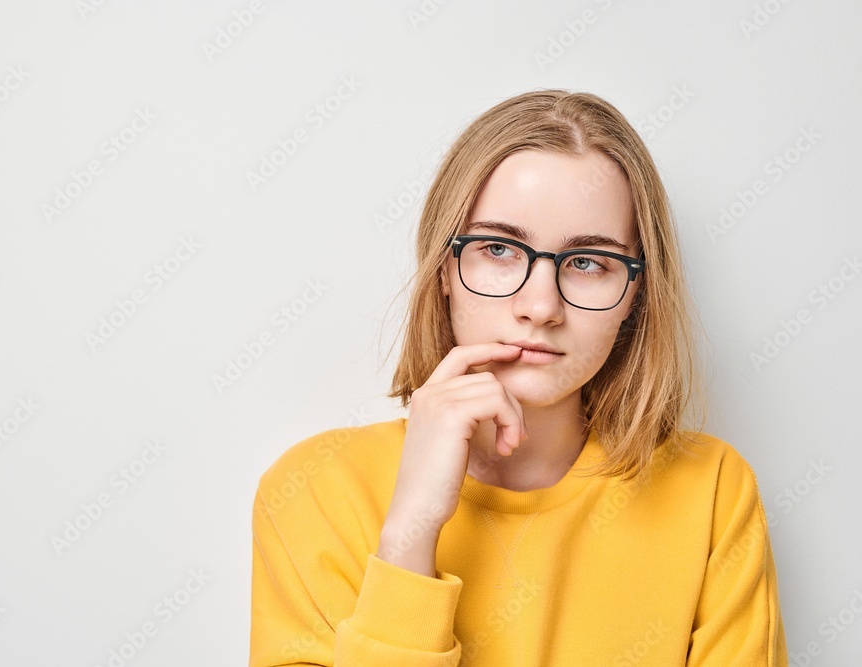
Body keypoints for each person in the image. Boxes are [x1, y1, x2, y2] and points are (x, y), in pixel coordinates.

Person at [249, 89, 788, 666]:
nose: (540, 306)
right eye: (500, 249)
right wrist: (411, 530)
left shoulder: (710, 489)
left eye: (587, 262)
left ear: (635, 293)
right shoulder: (314, 487)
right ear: (445, 271)